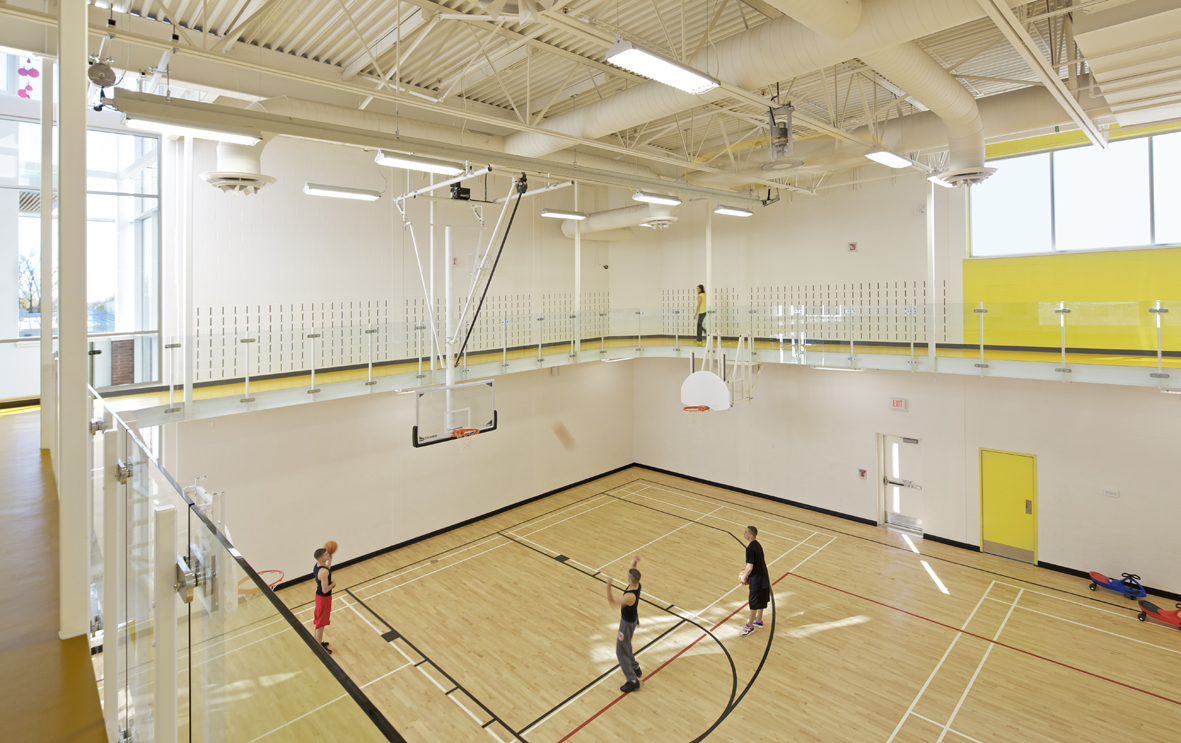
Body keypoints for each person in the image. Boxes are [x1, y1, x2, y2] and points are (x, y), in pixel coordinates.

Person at [605, 555, 643, 692]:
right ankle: (635, 667)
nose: (627, 577)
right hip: (632, 620)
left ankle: (632, 680)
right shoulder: (637, 584)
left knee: (620, 651)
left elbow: (613, 602)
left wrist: (608, 587)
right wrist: (634, 562)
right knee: (626, 645)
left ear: (630, 580)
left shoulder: (629, 596)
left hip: (627, 624)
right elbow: (633, 570)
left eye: (628, 576)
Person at [738, 526, 769, 636]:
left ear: (751, 535)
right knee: (760, 599)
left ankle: (749, 626)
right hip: (764, 577)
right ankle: (759, 620)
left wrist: (744, 577)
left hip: (756, 580)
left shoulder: (750, 548)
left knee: (753, 603)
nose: (744, 533)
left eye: (746, 532)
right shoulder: (757, 544)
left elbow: (750, 566)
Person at [313, 547, 336, 654]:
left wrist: (330, 561)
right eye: (326, 555)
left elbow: (327, 570)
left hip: (319, 597)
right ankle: (319, 649)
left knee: (318, 622)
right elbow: (325, 589)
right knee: (321, 624)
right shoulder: (323, 572)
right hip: (324, 598)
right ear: (321, 558)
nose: (328, 555)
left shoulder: (319, 566)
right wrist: (333, 584)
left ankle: (317, 643)